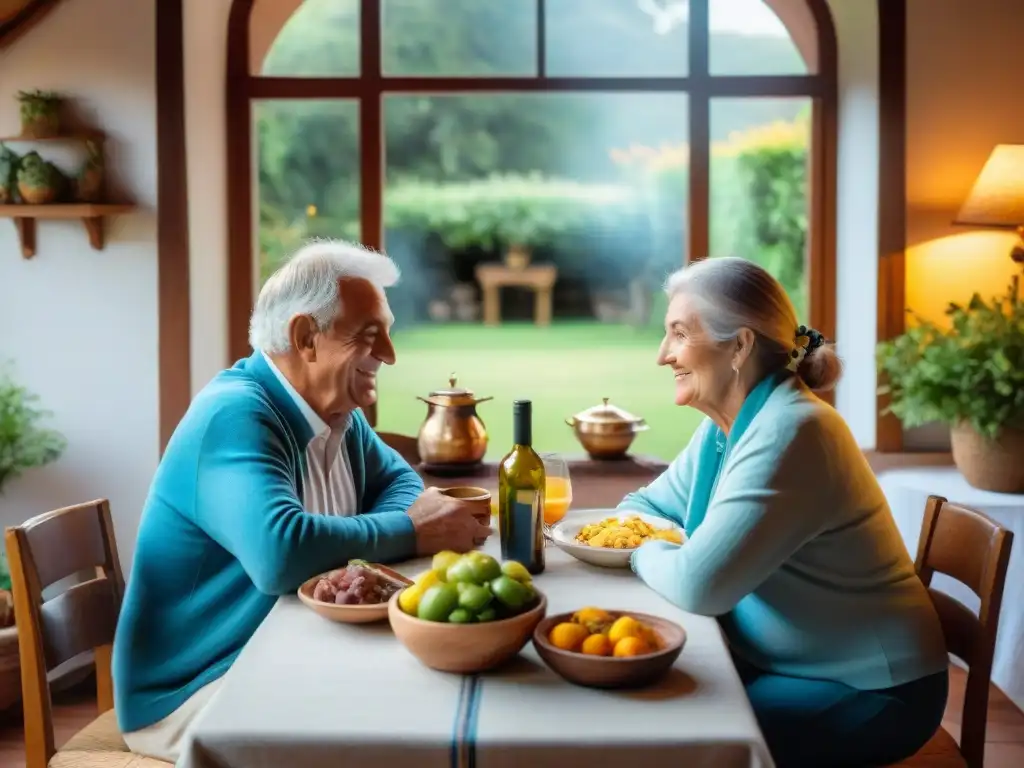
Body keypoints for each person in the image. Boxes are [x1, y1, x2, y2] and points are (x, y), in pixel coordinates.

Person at [112, 240, 491, 763]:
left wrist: (392, 524)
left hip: (277, 650)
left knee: (420, 695)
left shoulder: (338, 413)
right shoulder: (236, 415)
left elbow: (402, 484)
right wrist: (411, 530)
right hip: (195, 690)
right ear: (305, 337)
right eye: (369, 335)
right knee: (387, 725)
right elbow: (281, 554)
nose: (389, 355)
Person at [618, 257, 949, 768]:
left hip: (869, 690)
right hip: (776, 664)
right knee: (645, 706)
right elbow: (641, 507)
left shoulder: (792, 432)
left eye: (679, 334)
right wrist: (665, 544)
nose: (664, 355)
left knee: (669, 736)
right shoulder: (728, 428)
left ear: (740, 346)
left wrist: (645, 547)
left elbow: (697, 587)